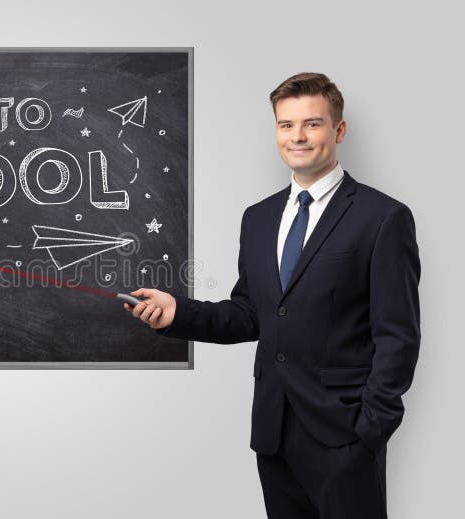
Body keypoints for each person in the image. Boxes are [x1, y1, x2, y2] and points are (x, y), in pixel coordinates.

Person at [126, 72, 420, 519]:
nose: (297, 136)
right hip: (273, 434)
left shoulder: (382, 218)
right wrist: (177, 313)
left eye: (312, 124)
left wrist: (368, 431)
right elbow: (252, 313)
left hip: (344, 436)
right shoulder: (258, 218)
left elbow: (398, 337)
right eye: (286, 125)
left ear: (338, 130)